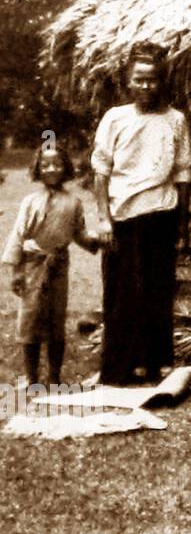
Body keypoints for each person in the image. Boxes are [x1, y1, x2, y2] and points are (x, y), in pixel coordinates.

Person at [91, 47, 191, 385]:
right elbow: (101, 172)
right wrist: (104, 219)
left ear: (162, 82)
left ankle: (154, 364)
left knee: (157, 291)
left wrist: (183, 222)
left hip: (161, 213)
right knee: (122, 294)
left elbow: (183, 173)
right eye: (140, 79)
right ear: (128, 82)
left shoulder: (175, 120)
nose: (147, 86)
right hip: (123, 216)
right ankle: (119, 368)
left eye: (153, 80)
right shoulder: (115, 118)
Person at [2, 144, 99, 386]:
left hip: (58, 267)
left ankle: (54, 377)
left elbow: (79, 233)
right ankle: (32, 377)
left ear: (66, 167)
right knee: (30, 319)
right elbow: (19, 236)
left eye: (57, 164)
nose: (51, 169)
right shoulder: (30, 201)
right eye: (45, 165)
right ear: (37, 169)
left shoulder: (73, 202)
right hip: (32, 266)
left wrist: (96, 241)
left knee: (56, 319)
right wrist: (16, 272)